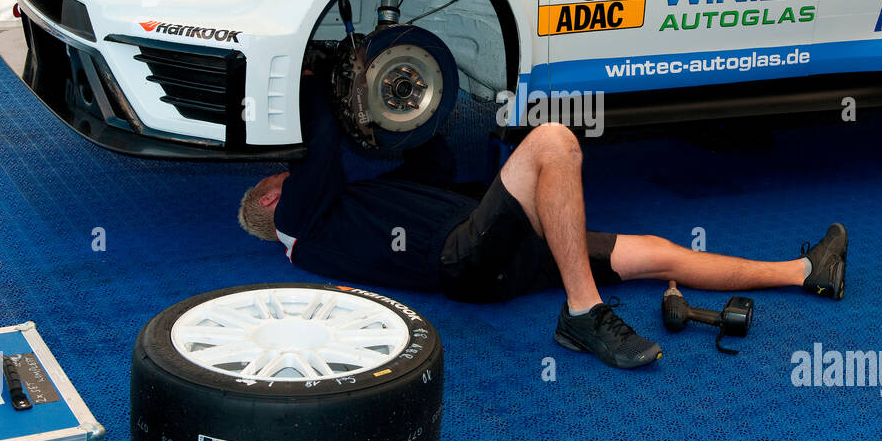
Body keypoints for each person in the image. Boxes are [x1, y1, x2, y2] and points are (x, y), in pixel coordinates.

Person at [239, 78, 848, 370]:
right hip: (462, 260)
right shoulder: (299, 230)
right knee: (554, 139)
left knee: (654, 254)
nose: (288, 181)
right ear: (271, 203)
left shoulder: (349, 209)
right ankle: (583, 315)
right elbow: (316, 151)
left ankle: (803, 272)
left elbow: (435, 162)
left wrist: (398, 108)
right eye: (279, 181)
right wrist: (313, 74)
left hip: (501, 248)